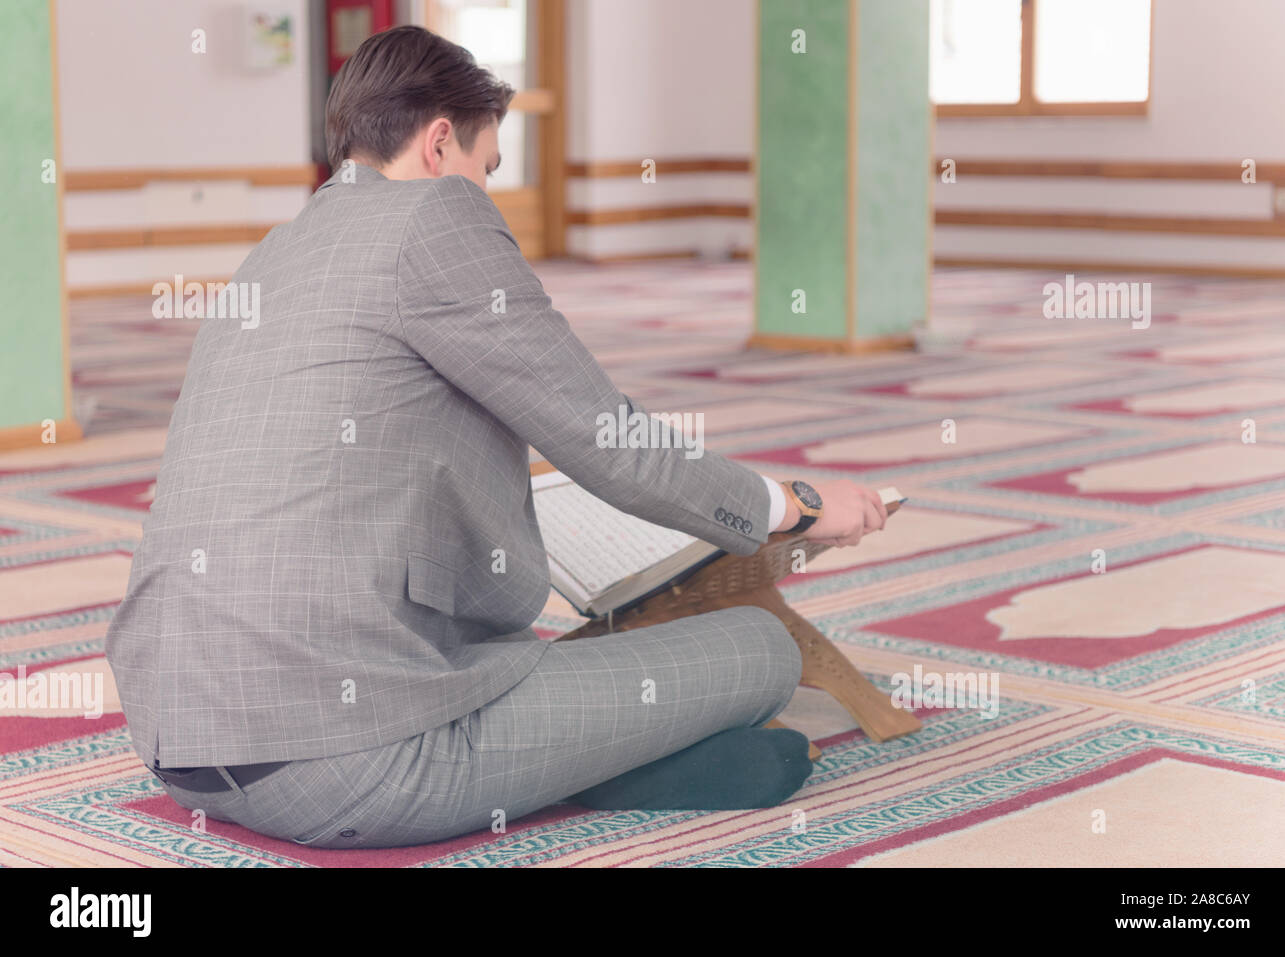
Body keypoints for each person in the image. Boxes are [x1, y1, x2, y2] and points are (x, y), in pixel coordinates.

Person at [105, 25, 888, 849]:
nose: (489, 193)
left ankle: (581, 763)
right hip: (351, 761)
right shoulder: (436, 217)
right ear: (441, 144)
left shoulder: (271, 253)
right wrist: (794, 505)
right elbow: (611, 441)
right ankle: (595, 770)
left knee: (549, 662)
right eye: (489, 168)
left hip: (177, 741)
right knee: (761, 650)